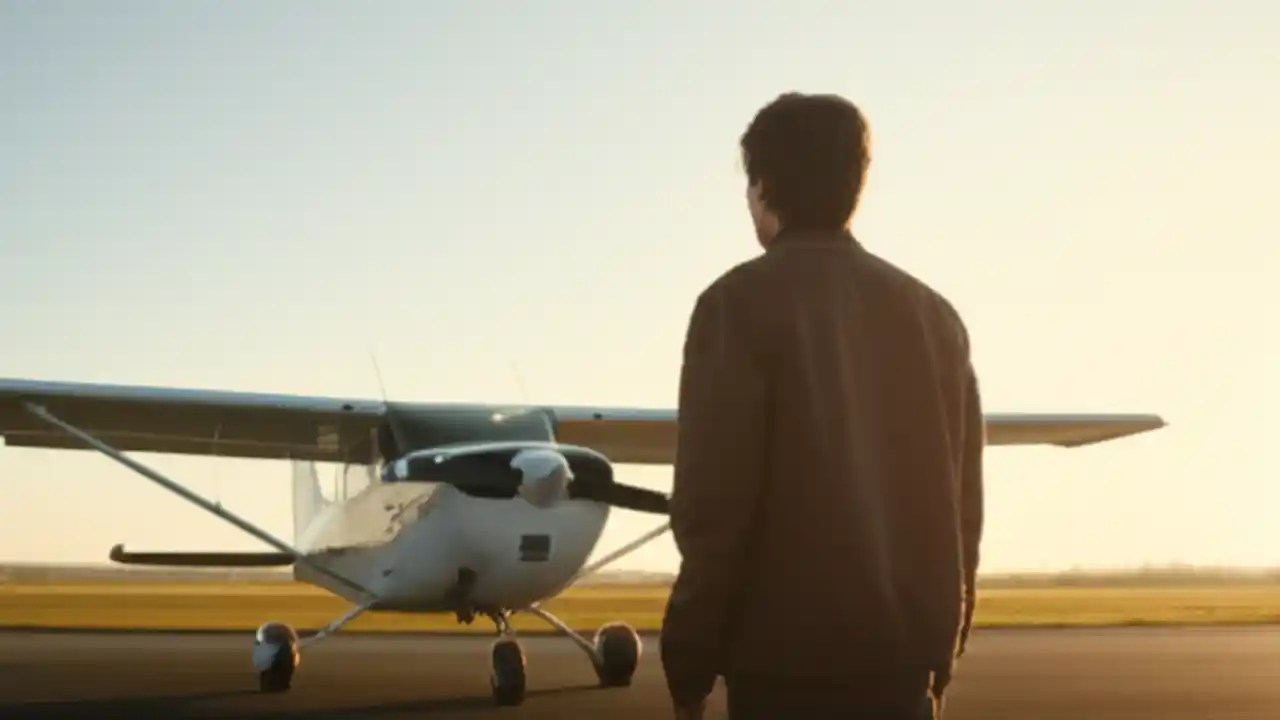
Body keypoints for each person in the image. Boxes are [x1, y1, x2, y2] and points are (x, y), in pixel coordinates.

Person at [660, 92, 985, 719]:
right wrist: (942, 653)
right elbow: (959, 509)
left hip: (780, 676)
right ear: (855, 184)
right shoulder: (934, 317)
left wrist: (689, 666)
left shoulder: (732, 306)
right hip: (902, 674)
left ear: (762, 186)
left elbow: (713, 510)